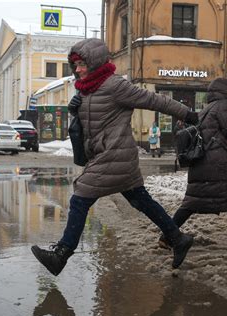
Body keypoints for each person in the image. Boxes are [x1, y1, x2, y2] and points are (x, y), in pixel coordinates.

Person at [31, 38, 199, 276]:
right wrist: (75, 108)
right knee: (141, 200)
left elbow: (154, 100)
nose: (77, 70)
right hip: (108, 155)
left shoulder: (114, 86)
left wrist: (188, 114)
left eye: (81, 64)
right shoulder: (87, 89)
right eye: (75, 65)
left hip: (114, 155)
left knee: (80, 197)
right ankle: (178, 238)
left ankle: (61, 255)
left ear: (95, 63)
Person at [158, 78, 227, 250]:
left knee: (192, 201)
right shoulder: (223, 106)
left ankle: (167, 237)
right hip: (216, 162)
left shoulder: (207, 108)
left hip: (202, 162)